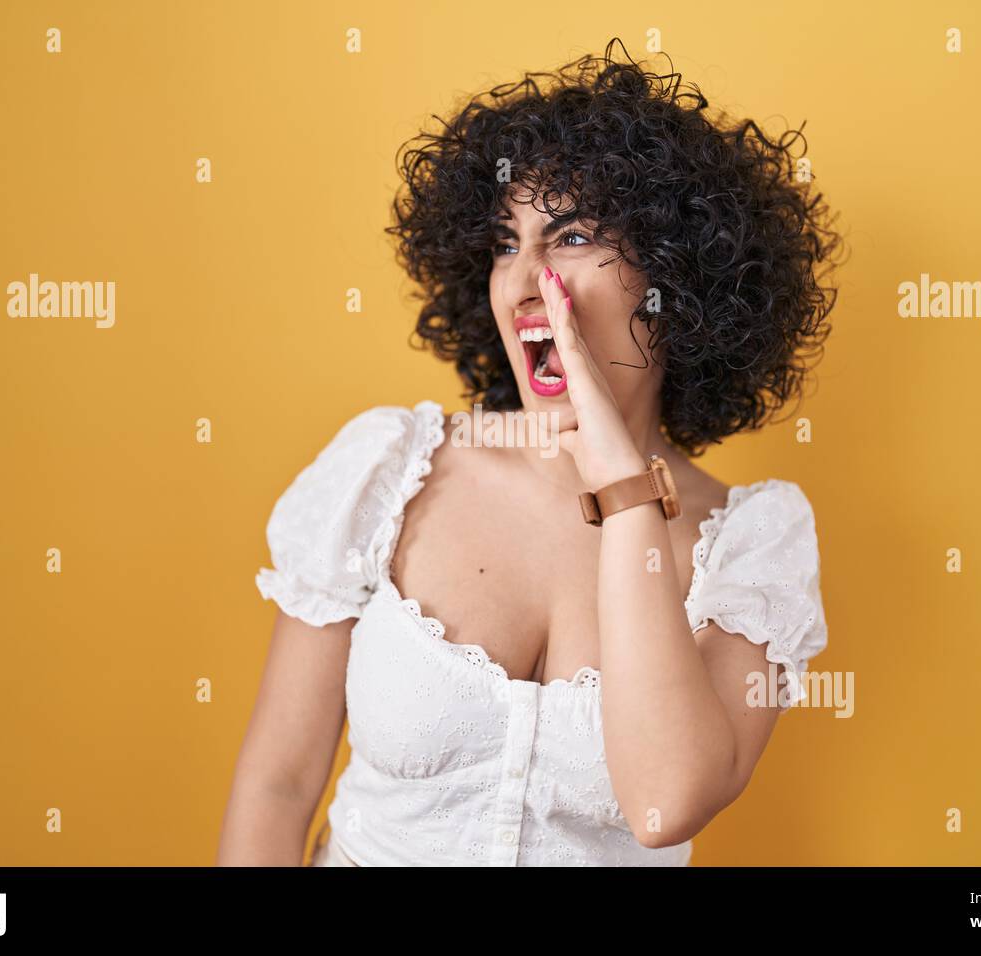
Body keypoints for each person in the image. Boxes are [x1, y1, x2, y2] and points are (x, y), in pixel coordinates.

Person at [218, 38, 841, 867]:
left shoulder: (753, 545)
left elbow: (664, 803)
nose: (524, 283)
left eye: (572, 236)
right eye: (507, 244)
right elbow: (278, 787)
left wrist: (625, 492)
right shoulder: (392, 472)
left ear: (677, 280)